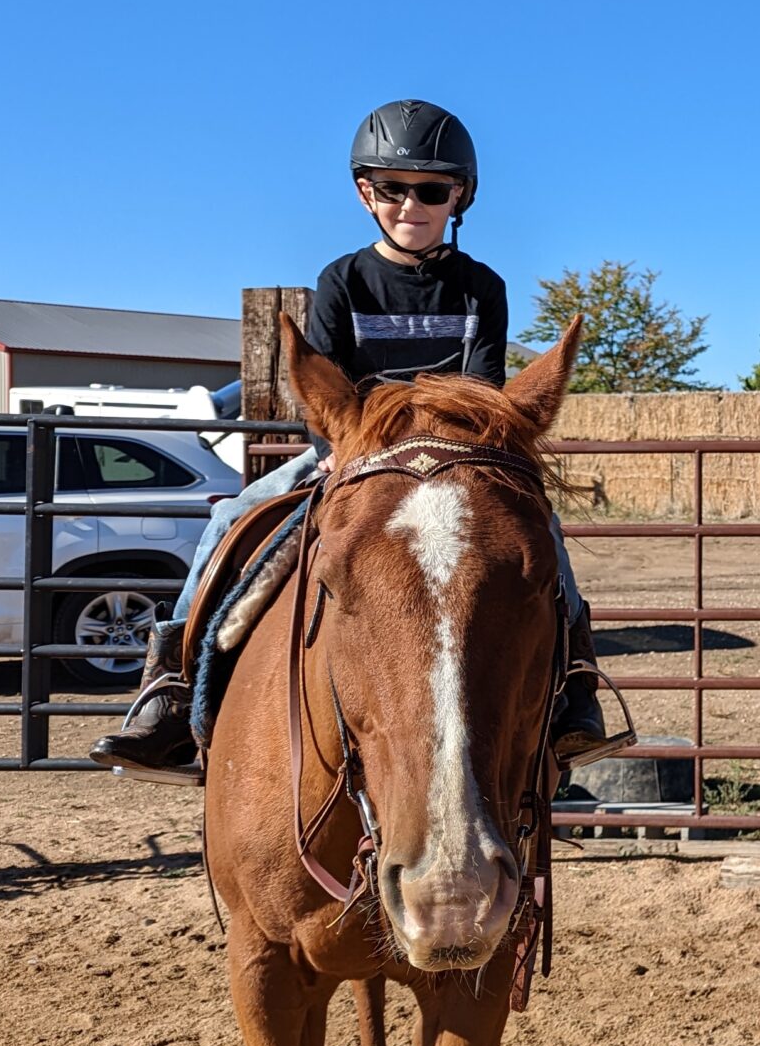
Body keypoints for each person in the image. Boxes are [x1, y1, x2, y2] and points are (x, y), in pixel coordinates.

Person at [91, 100, 610, 777]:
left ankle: (577, 685)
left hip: (452, 456)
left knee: (543, 526)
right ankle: (169, 683)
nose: (410, 205)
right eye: (392, 188)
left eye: (430, 191)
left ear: (459, 197)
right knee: (231, 516)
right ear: (366, 193)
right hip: (355, 447)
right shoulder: (343, 280)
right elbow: (325, 379)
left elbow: (484, 394)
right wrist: (339, 444)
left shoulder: (482, 287)